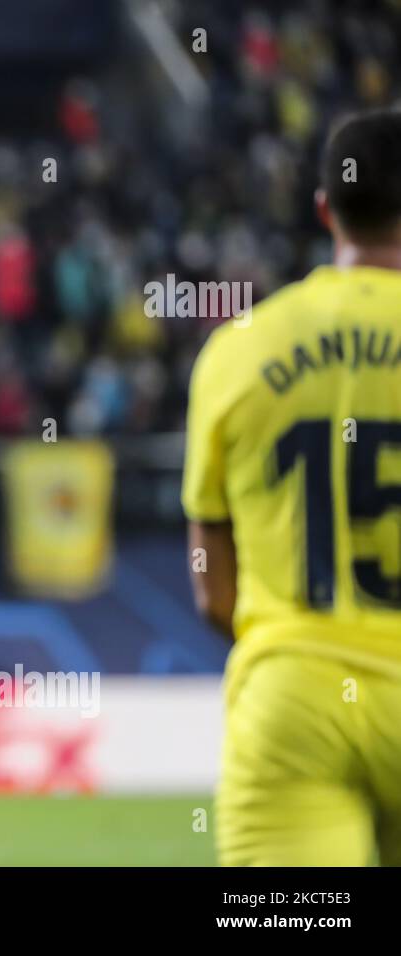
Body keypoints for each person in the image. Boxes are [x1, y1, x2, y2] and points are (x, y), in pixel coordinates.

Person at [184, 109, 401, 865]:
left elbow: (211, 585)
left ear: (323, 208)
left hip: (294, 697)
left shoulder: (238, 351)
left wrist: (291, 653)